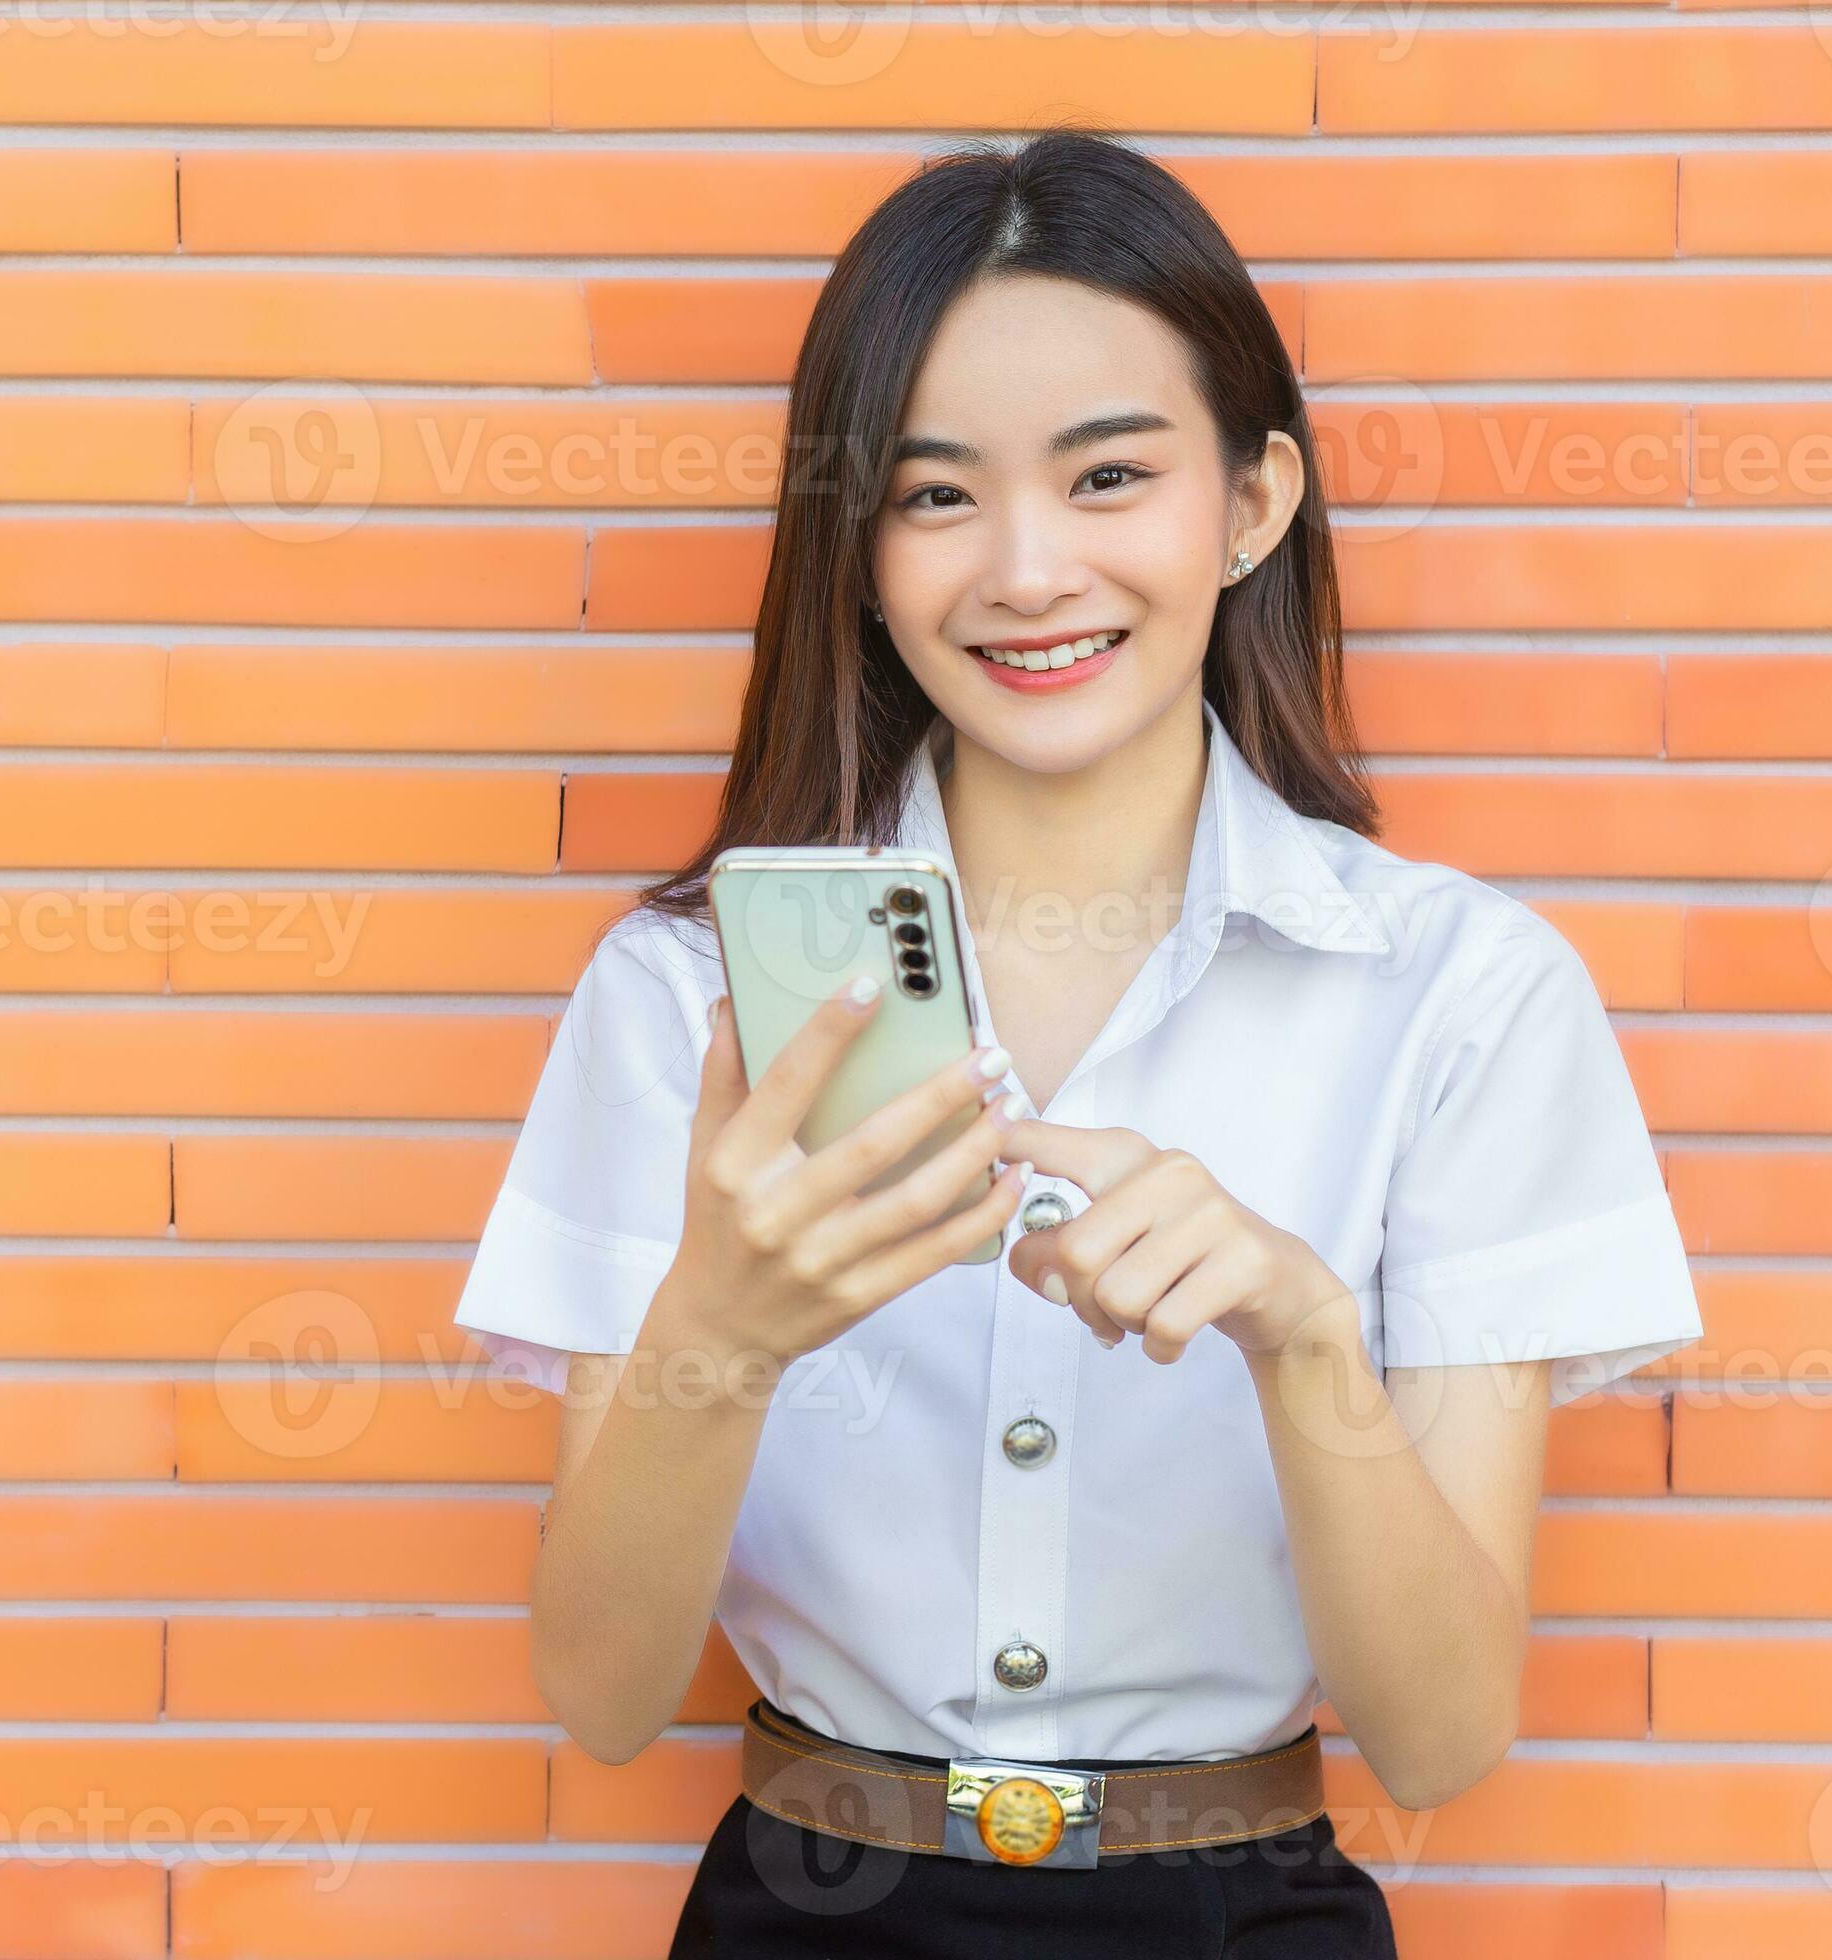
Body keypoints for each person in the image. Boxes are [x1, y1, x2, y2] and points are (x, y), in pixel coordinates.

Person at [448, 128, 1706, 1957]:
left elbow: (1439, 1738)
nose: (1027, 572)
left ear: (1255, 502)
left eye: (1111, 474)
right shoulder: (683, 999)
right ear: (859, 545)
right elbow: (601, 1692)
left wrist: (1301, 1337)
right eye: (936, 496)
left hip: (1247, 1909)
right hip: (808, 1908)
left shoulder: (1460, 992)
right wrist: (716, 1332)